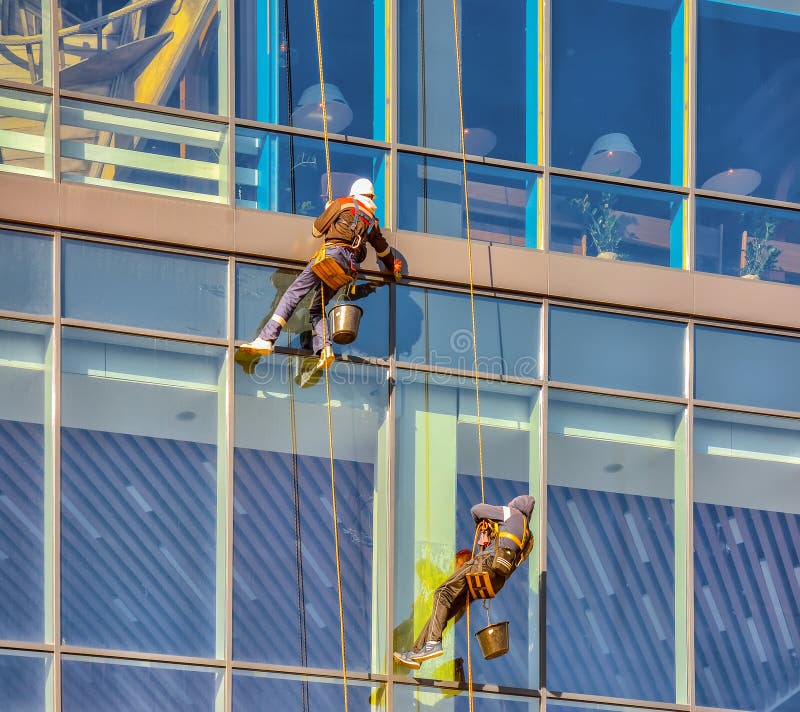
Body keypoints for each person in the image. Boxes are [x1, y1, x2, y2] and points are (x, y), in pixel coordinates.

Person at [238, 178, 402, 369]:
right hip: (348, 267)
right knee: (316, 308)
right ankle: (326, 349)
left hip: (332, 256)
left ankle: (266, 338)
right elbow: (383, 251)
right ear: (371, 197)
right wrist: (393, 267)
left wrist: (329, 210)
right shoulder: (372, 222)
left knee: (293, 293)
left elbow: (317, 230)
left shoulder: (342, 203)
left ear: (353, 193)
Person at [393, 495, 535, 669]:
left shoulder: (510, 512)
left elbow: (476, 509)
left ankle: (432, 643)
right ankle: (417, 652)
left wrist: (483, 523)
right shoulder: (528, 536)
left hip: (484, 566)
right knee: (448, 609)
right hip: (495, 582)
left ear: (515, 505)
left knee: (443, 592)